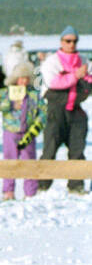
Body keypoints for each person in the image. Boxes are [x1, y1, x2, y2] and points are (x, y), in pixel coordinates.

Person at [38, 26, 88, 194]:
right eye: (68, 41)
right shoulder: (52, 61)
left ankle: (76, 184)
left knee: (77, 149)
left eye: (74, 41)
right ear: (61, 42)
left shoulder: (82, 59)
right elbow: (53, 83)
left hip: (75, 109)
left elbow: (88, 82)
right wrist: (75, 76)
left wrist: (80, 79)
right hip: (56, 109)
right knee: (50, 148)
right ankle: (42, 185)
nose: (71, 44)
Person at [0, 59, 45, 201]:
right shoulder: (5, 93)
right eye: (21, 78)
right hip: (11, 132)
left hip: (28, 133)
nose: (24, 82)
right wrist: (9, 104)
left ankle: (30, 192)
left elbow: (43, 112)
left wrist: (35, 128)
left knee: (29, 162)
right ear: (15, 79)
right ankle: (8, 192)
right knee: (9, 161)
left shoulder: (34, 95)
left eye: (26, 78)